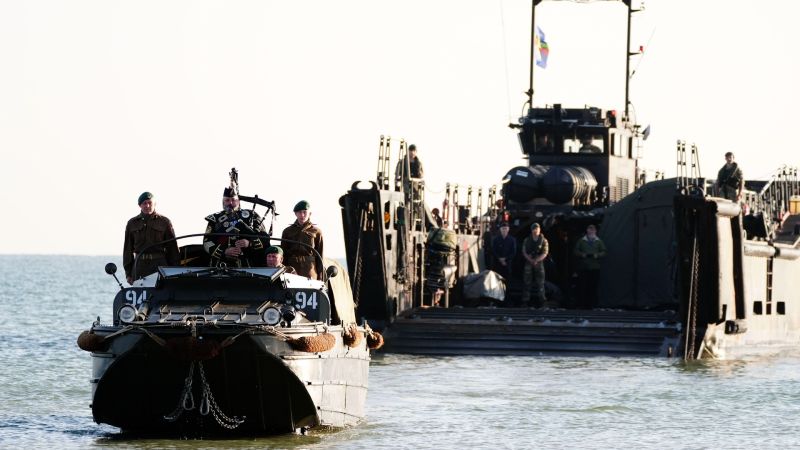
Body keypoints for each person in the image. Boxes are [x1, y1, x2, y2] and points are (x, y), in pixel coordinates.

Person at [203, 183, 267, 267]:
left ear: (238, 201)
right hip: (220, 264)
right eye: (227, 200)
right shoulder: (215, 218)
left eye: (233, 200)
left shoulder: (252, 216)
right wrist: (224, 251)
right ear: (223, 202)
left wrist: (250, 243)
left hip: (248, 264)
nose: (230, 203)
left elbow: (265, 239)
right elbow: (207, 242)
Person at [123, 191, 180, 284]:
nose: (147, 206)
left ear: (155, 204)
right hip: (139, 266)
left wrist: (175, 272)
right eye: (144, 203)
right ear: (139, 205)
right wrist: (128, 273)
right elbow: (127, 250)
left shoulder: (164, 222)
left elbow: (173, 249)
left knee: (162, 295)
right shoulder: (132, 223)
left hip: (159, 266)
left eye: (150, 203)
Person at [281, 200, 324, 279]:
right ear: (295, 214)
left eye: (305, 212)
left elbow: (320, 255)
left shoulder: (316, 232)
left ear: (310, 214)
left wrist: (320, 275)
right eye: (299, 212)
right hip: (291, 269)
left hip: (310, 269)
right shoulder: (287, 231)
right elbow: (283, 254)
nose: (302, 215)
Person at [573, 224, 606, 309]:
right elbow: (576, 251)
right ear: (587, 231)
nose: (591, 231)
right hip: (584, 267)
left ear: (595, 231)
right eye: (589, 229)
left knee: (593, 286)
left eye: (593, 230)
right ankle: (581, 304)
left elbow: (604, 251)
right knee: (582, 286)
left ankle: (591, 305)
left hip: (595, 267)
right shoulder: (581, 241)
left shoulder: (599, 241)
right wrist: (582, 254)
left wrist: (597, 255)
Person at [521, 222, 549, 307]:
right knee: (527, 282)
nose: (535, 230)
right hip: (529, 262)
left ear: (539, 230)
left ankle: (542, 300)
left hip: (539, 262)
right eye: (534, 229)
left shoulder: (544, 240)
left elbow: (545, 252)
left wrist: (536, 260)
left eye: (537, 228)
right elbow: (524, 251)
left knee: (540, 282)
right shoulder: (527, 240)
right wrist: (530, 259)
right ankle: (525, 301)